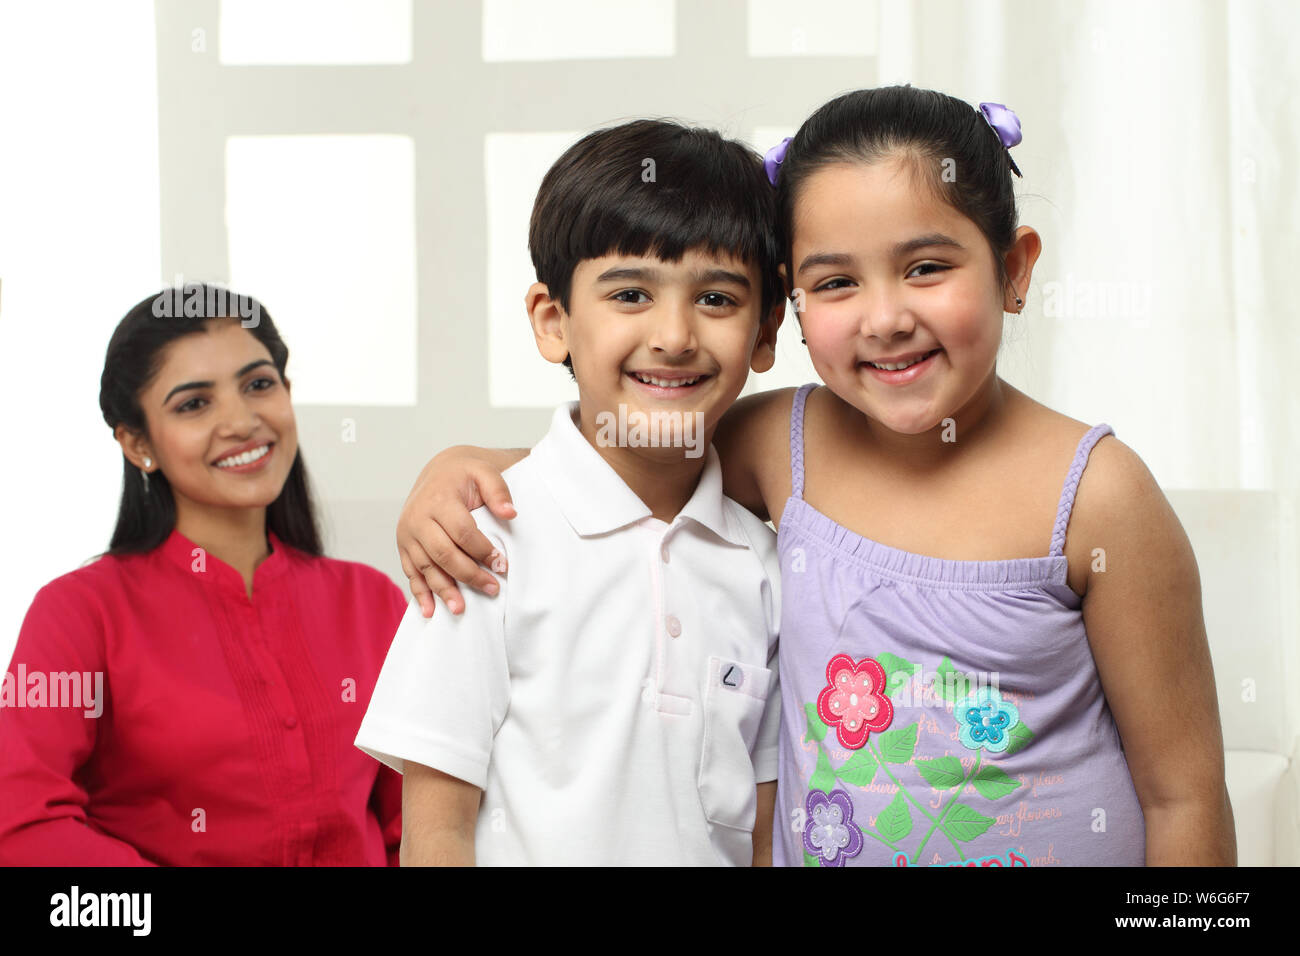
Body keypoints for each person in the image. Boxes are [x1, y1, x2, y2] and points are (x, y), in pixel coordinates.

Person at [390, 87, 1236, 866]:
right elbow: (627, 451)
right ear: (791, 309)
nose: (886, 318)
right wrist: (458, 472)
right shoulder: (785, 444)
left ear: (1013, 270)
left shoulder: (1097, 495)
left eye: (927, 268)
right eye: (835, 282)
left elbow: (1184, 797)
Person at [354, 119, 786, 866]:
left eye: (716, 299)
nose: (675, 335)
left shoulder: (767, 565)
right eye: (629, 294)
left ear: (766, 330)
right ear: (554, 322)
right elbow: (437, 830)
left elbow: (762, 834)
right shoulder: (482, 541)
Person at [0, 286, 406, 865]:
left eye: (259, 385)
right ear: (138, 443)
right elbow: (21, 826)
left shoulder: (371, 602)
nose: (241, 421)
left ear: (287, 394)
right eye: (194, 404)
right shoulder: (78, 615)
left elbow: (416, 821)